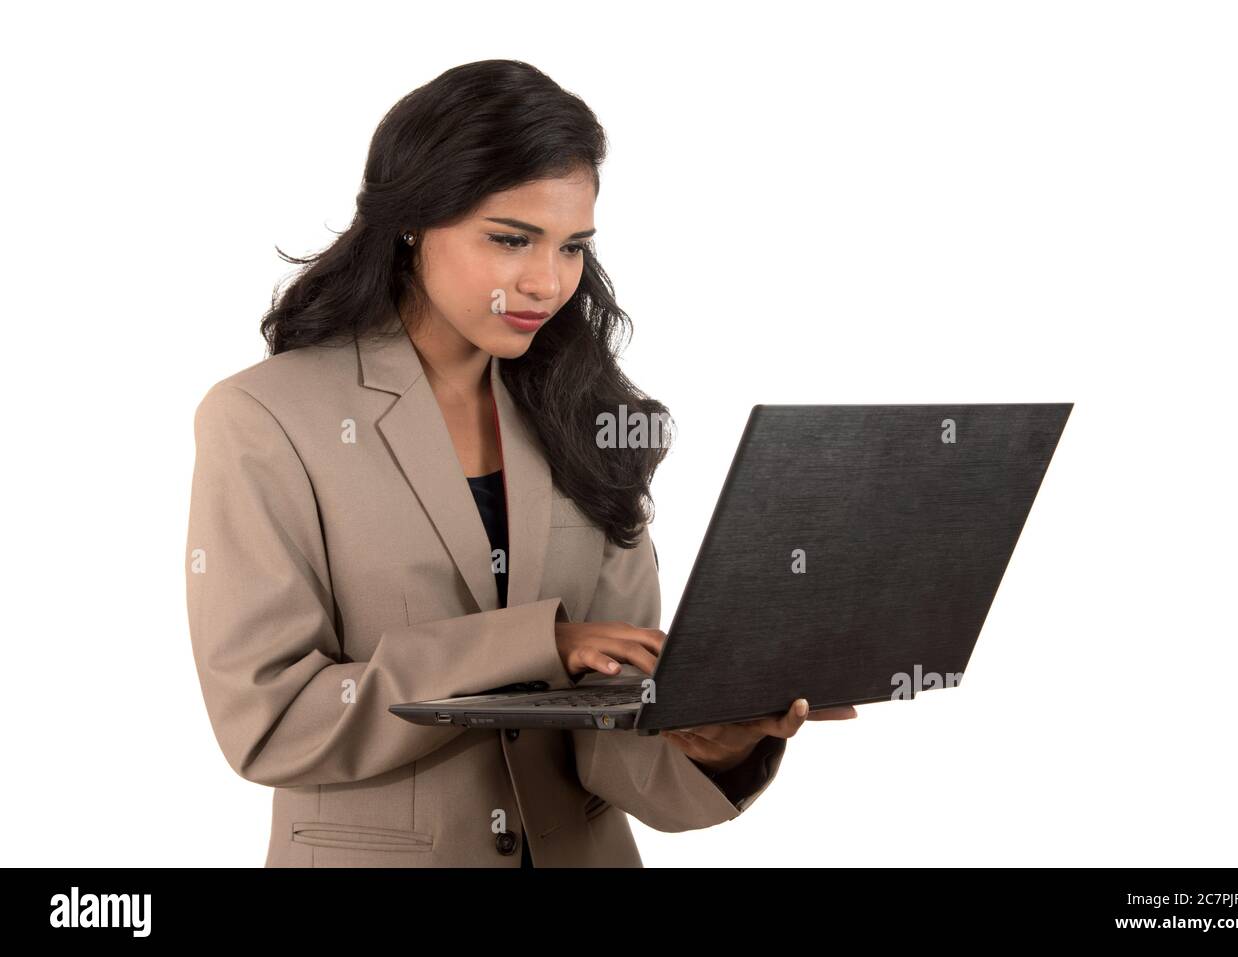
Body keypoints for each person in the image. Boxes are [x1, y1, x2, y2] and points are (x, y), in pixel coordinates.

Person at [185, 59, 856, 868]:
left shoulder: (593, 416)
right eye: (510, 239)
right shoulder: (265, 418)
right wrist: (540, 644)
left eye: (572, 247)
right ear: (412, 221)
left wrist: (714, 741)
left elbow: (608, 736)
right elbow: (271, 721)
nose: (547, 281)